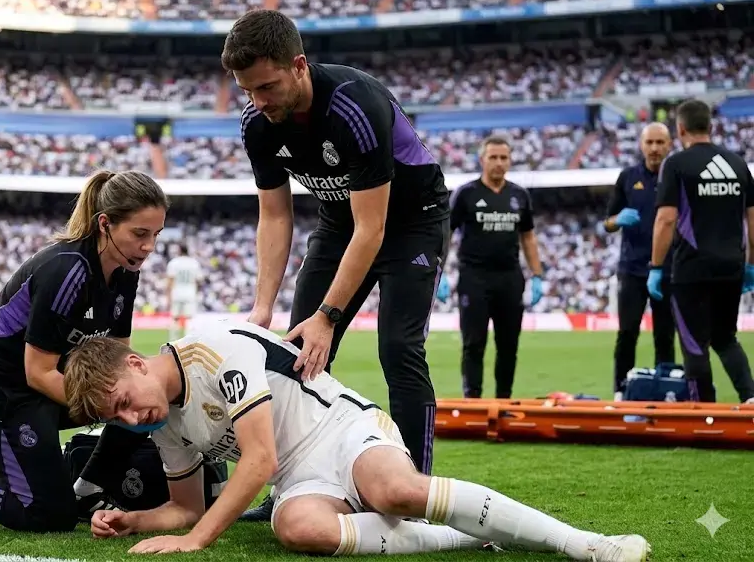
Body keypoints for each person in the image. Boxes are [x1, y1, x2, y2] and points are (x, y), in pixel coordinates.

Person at [62, 323, 652, 561]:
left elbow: (258, 461)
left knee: (392, 489)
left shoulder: (213, 348)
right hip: (301, 478)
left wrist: (195, 541)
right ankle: (462, 537)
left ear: (136, 362)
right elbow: (187, 504)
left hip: (343, 430)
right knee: (297, 530)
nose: (131, 417)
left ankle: (586, 545)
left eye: (123, 399)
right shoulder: (162, 421)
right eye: (116, 416)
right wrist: (133, 522)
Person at [225, 9, 449, 520]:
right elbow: (275, 217)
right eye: (247, 91)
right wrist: (263, 308)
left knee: (398, 349)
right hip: (338, 223)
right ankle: (293, 488)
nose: (259, 102)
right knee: (297, 355)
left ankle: (414, 491)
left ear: (299, 65)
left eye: (267, 86)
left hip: (412, 221)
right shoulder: (258, 124)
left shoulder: (354, 105)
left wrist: (328, 314)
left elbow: (374, 229)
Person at [0, 170, 171, 532]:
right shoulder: (68, 270)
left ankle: (87, 491)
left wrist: (141, 397)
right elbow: (37, 373)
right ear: (105, 224)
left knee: (141, 400)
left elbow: (118, 362)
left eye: (155, 235)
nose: (149, 246)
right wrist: (108, 409)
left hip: (42, 390)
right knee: (47, 514)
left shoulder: (126, 271)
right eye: (140, 234)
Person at [648, 100, 754, 404]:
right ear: (711, 126)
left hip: (692, 268)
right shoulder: (736, 163)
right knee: (726, 338)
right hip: (732, 266)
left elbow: (666, 219)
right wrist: (751, 264)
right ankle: (750, 398)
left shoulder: (677, 164)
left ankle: (703, 412)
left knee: (694, 345)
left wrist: (656, 267)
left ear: (680, 129)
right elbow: (753, 218)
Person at [436, 136, 544, 399]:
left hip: (510, 278)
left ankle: (504, 401)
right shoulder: (466, 194)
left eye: (503, 158)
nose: (498, 163)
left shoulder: (519, 195)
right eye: (493, 157)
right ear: (482, 160)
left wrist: (538, 275)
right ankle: (473, 400)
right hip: (474, 278)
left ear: (510, 160)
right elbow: (445, 233)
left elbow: (528, 236)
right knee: (474, 344)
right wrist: (438, 271)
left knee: (509, 345)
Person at [603, 123, 676, 400]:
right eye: (650, 142)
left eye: (660, 142)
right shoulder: (627, 177)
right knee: (627, 332)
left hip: (668, 269)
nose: (655, 148)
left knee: (665, 335)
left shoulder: (677, 177)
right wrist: (617, 220)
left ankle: (668, 388)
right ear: (641, 145)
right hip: (632, 271)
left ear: (669, 144)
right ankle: (621, 390)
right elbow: (607, 223)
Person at [165, 244, 203, 342]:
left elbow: (170, 281)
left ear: (179, 251)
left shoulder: (174, 263)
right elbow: (199, 280)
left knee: (175, 318)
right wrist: (196, 291)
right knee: (189, 318)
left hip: (176, 292)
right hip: (190, 292)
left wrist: (168, 296)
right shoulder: (194, 263)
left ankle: (173, 341)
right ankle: (188, 341)